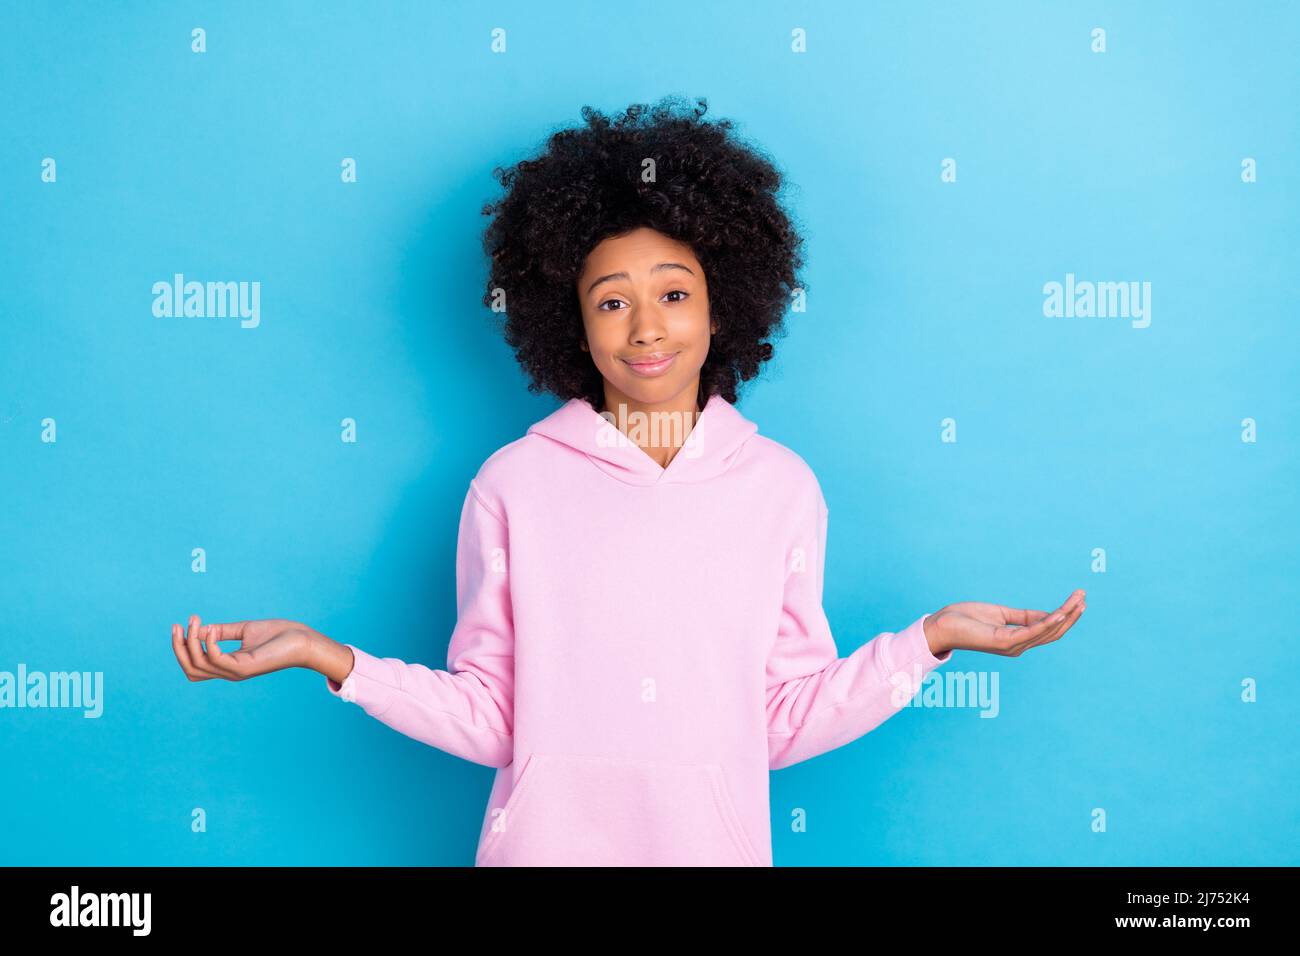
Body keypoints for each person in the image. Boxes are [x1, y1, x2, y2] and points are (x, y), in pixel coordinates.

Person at [170, 95, 1085, 866]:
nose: (646, 328)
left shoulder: (781, 487)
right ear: (569, 320)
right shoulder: (513, 484)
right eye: (612, 300)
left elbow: (778, 720)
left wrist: (930, 641)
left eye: (674, 293)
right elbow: (494, 719)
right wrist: (331, 660)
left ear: (724, 301)